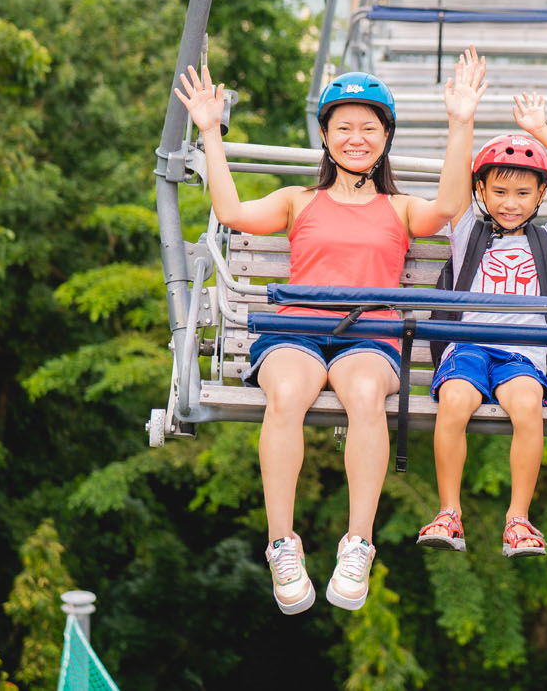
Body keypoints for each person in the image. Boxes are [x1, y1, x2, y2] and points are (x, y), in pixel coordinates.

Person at [174, 48, 484, 615]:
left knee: (366, 396)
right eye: (344, 128)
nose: (356, 138)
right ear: (325, 135)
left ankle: (357, 543)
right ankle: (281, 543)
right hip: (297, 333)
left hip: (368, 337)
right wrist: (210, 134)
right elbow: (234, 212)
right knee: (287, 394)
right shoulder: (300, 201)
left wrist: (460, 122)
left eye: (369, 128)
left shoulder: (399, 208)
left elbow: (450, 205)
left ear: (385, 139)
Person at [416, 92, 547, 558]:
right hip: (469, 348)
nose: (510, 203)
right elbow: (452, 182)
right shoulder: (466, 231)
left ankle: (519, 518)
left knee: (527, 407)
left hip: (522, 354)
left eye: (522, 193)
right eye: (498, 192)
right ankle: (449, 512)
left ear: (538, 197)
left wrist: (539, 129)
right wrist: (463, 119)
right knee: (453, 401)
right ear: (481, 193)